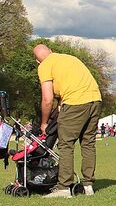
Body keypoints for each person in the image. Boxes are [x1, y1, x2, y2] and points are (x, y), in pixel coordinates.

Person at [34, 43, 102, 198]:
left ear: (38, 61)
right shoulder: (69, 58)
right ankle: (88, 185)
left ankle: (64, 187)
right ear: (51, 51)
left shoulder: (44, 66)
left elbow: (47, 99)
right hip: (95, 99)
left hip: (75, 102)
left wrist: (44, 123)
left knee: (66, 144)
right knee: (88, 143)